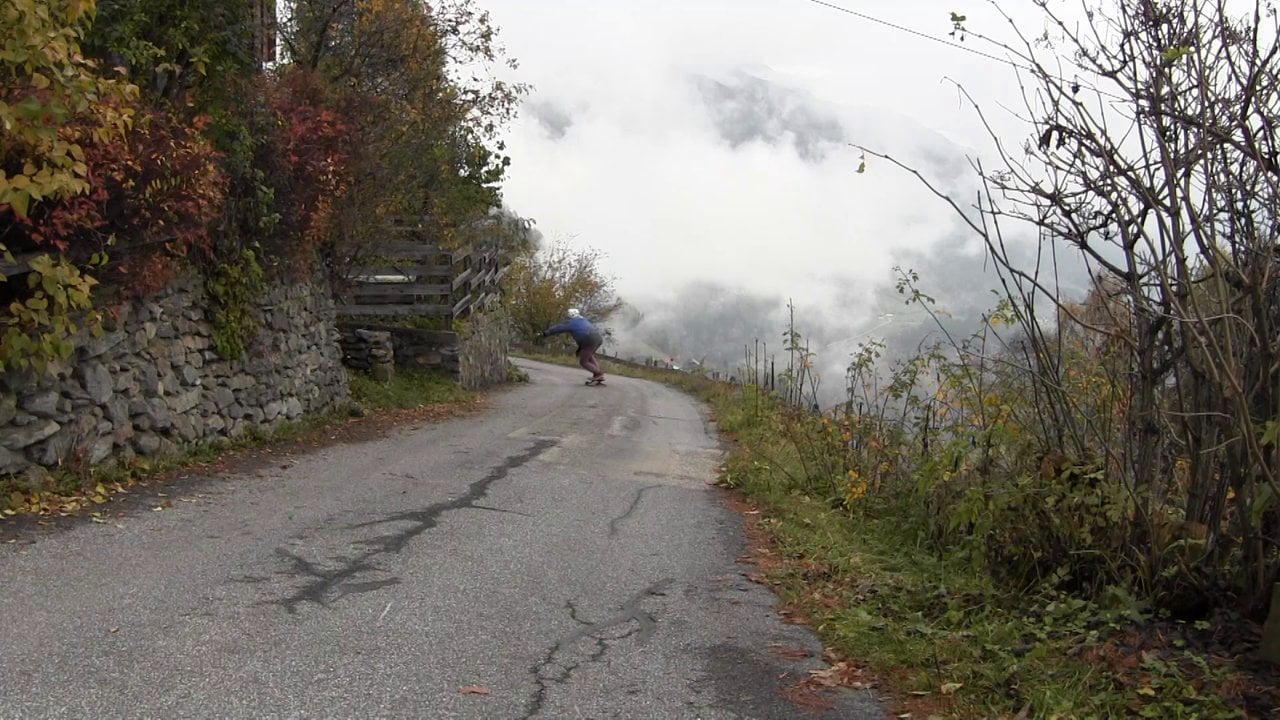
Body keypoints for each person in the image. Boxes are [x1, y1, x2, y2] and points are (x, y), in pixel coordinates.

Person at [542, 308, 605, 384]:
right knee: (589, 356)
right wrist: (580, 348)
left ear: (570, 315)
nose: (567, 317)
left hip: (589, 340)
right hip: (597, 338)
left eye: (567, 316)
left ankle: (598, 374)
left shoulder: (571, 322)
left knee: (583, 362)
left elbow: (558, 328)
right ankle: (597, 374)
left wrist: (546, 333)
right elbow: (582, 332)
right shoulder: (582, 319)